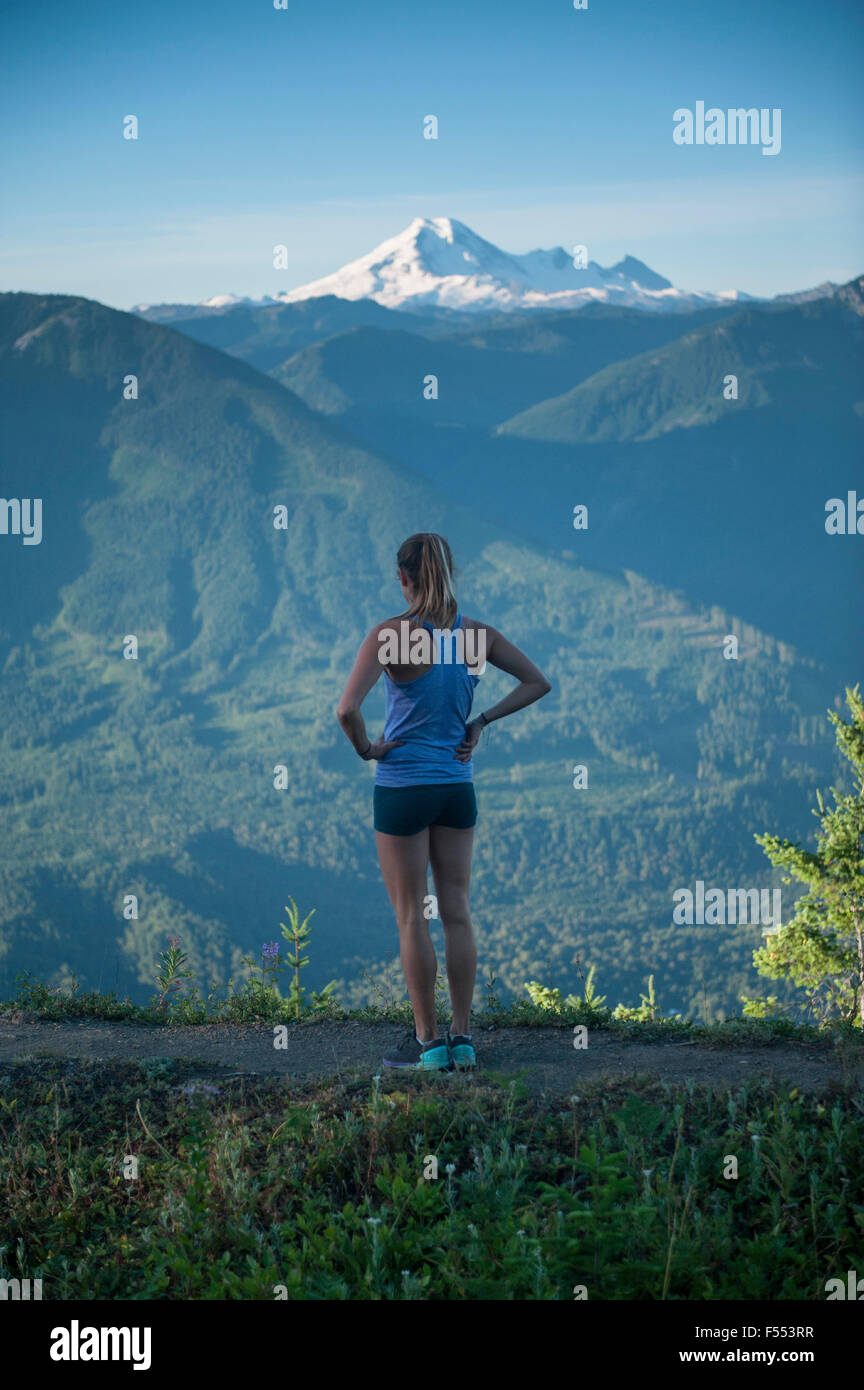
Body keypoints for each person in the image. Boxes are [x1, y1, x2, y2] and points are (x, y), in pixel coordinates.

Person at [336, 532, 551, 1072]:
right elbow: (536, 681)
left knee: (412, 917)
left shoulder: (391, 636)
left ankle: (428, 1043)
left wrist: (368, 750)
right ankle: (463, 1038)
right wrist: (480, 722)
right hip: (457, 786)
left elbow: (346, 710)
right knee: (457, 912)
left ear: (403, 577)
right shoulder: (474, 635)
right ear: (449, 571)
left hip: (403, 787)